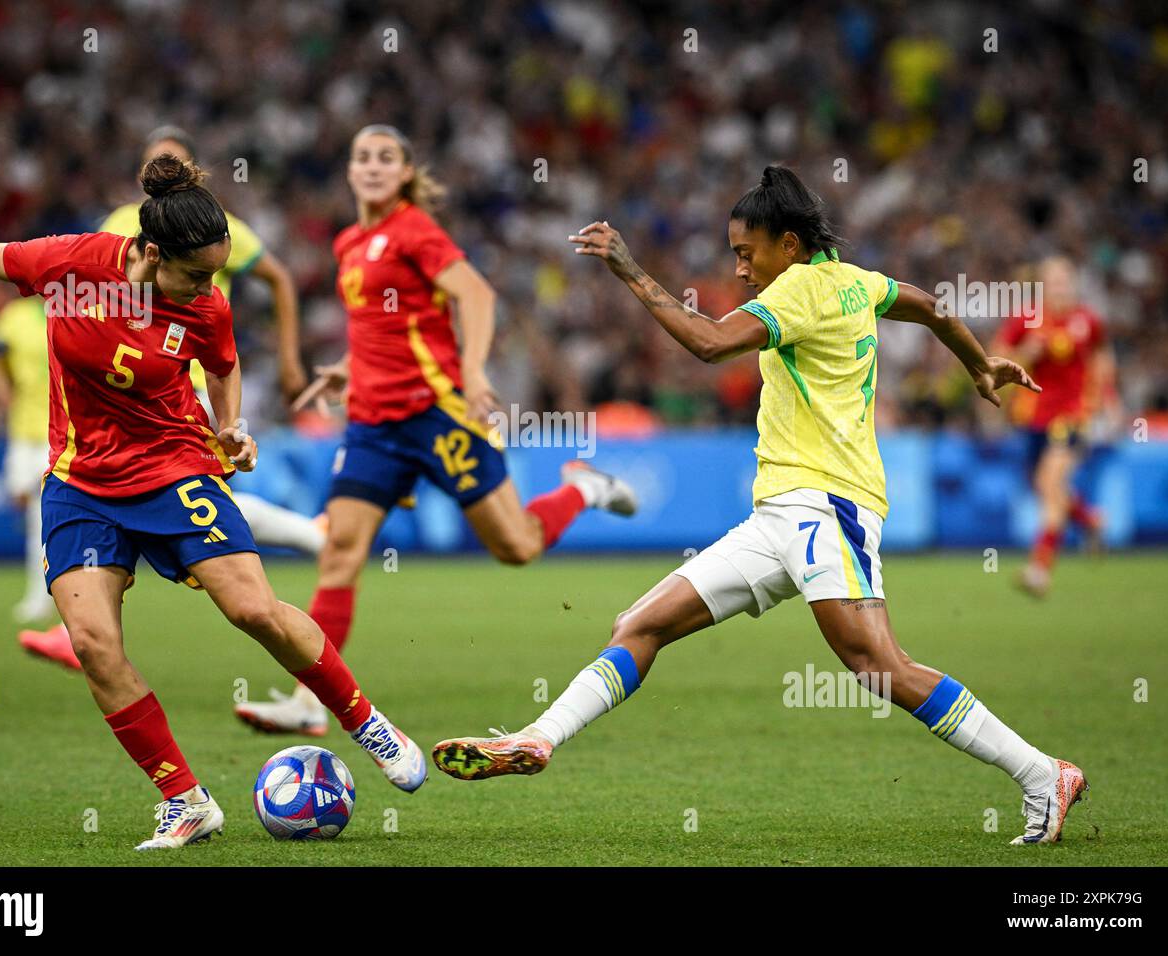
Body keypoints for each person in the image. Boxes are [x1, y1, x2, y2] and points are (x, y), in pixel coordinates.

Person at [431, 166, 1088, 847]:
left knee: (877, 666)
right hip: (779, 516)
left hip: (827, 507)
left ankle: (1044, 774)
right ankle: (539, 738)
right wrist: (979, 365)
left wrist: (629, 271)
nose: (741, 270)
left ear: (791, 243)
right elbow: (933, 308)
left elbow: (709, 344)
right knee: (640, 624)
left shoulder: (800, 288)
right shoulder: (858, 282)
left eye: (748, 253)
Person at [0, 154, 425, 850]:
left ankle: (367, 722)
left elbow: (224, 368)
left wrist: (231, 428)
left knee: (253, 610)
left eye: (216, 273)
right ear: (149, 252)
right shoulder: (73, 263)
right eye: (196, 273)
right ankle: (185, 800)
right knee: (92, 644)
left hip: (177, 469)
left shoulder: (206, 304)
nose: (209, 288)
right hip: (81, 482)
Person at [235, 124, 638, 733]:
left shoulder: (414, 231)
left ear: (403, 174)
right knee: (340, 554)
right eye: (362, 157)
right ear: (349, 171)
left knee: (517, 546)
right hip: (372, 425)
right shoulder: (349, 242)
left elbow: (475, 295)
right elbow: (382, 326)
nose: (372, 166)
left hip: (438, 415)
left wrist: (473, 371)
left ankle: (583, 487)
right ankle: (308, 702)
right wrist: (352, 369)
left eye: (386, 158)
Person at [18, 126, 329, 683]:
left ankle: (307, 539)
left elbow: (277, 280)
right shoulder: (119, 226)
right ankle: (84, 628)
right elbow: (86, 283)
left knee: (185, 493)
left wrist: (287, 359)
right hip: (123, 383)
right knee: (151, 493)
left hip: (184, 381)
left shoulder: (223, 230)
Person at [993, 256, 1118, 598]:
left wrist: (1108, 399)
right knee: (1044, 486)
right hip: (1033, 416)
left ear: (1073, 283)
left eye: (1065, 280)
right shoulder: (1026, 319)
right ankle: (1090, 519)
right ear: (1042, 285)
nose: (1060, 287)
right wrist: (1025, 353)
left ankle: (1039, 569)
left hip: (1074, 415)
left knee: (1050, 482)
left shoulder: (1087, 321)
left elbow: (1102, 358)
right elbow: (996, 358)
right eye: (1053, 281)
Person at [0, 294, 55, 624]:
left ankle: (42, 595)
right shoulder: (14, 315)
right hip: (24, 429)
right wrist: (6, 398)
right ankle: (43, 593)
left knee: (41, 516)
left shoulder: (79, 309)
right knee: (27, 510)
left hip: (60, 432)